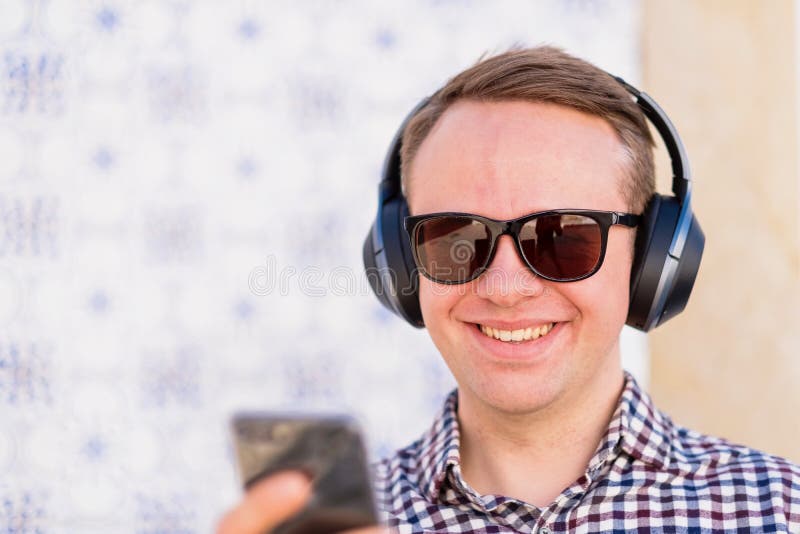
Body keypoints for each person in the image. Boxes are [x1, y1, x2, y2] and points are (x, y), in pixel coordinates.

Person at [218, 47, 800, 533]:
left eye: (563, 238)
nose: (504, 286)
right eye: (454, 237)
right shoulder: (328, 522)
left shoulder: (779, 510)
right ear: (398, 263)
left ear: (652, 258)